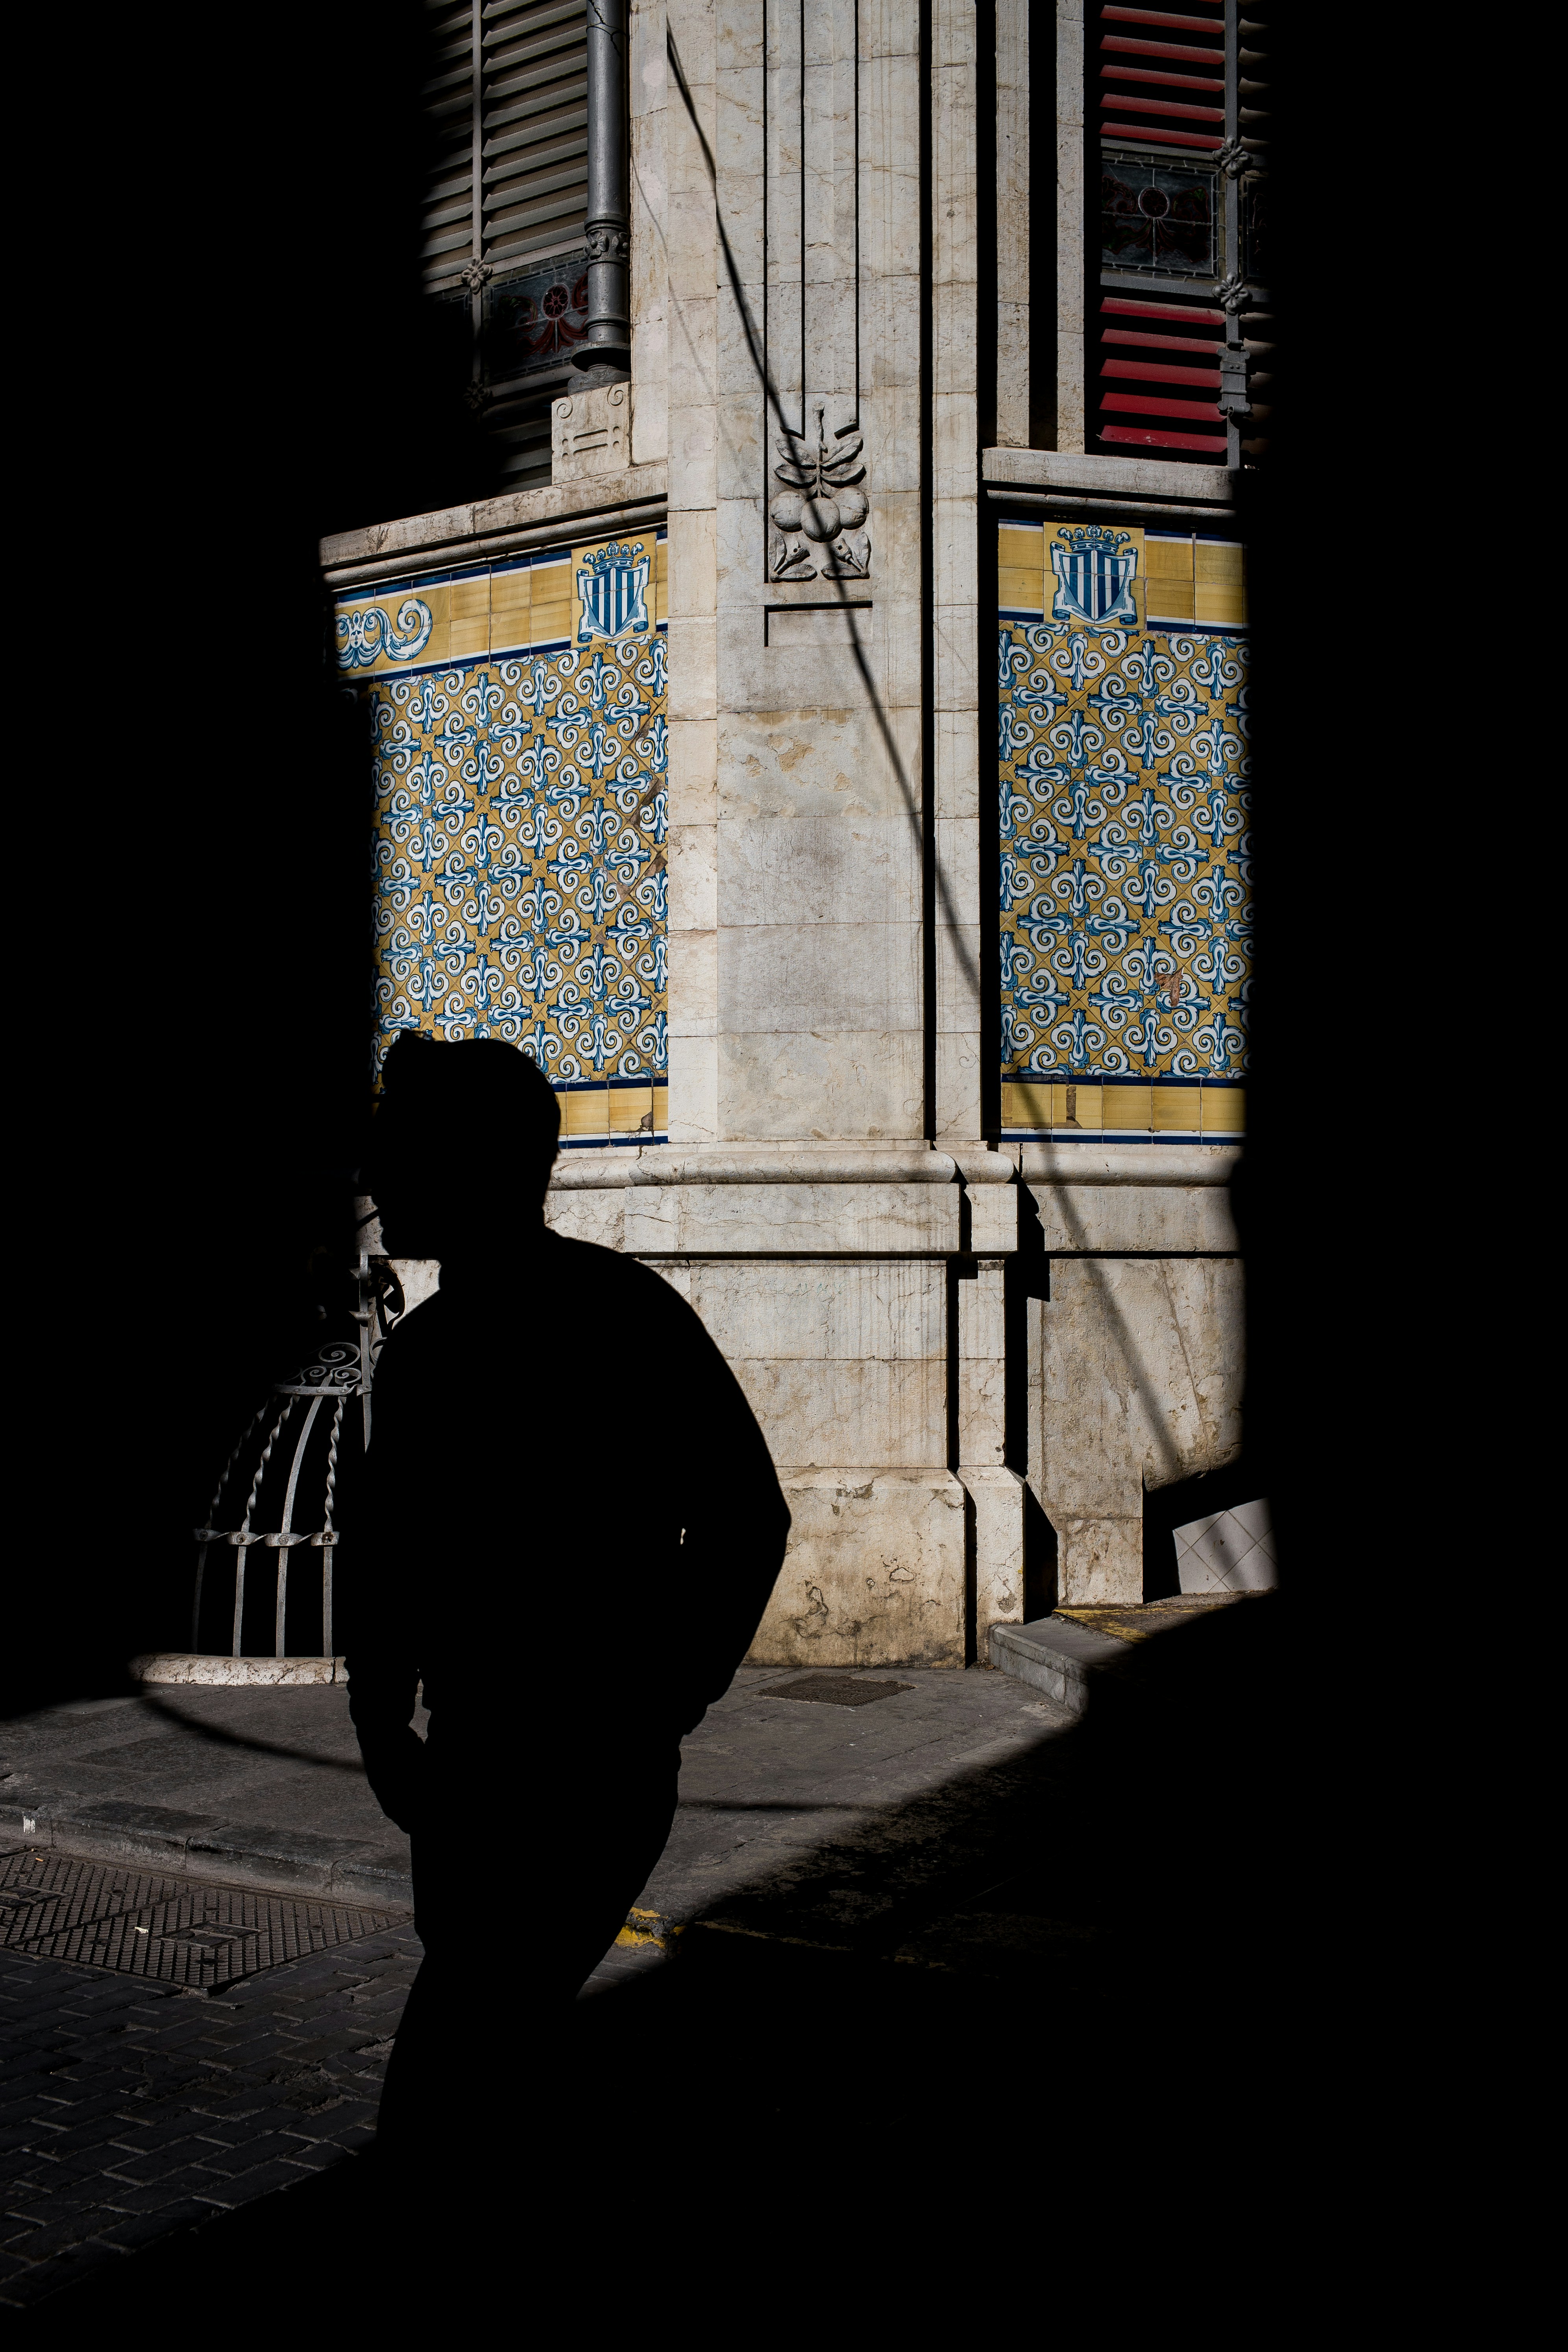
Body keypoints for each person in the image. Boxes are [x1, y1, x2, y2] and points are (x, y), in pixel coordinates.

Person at [339, 1034, 790, 2142]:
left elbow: (745, 1519)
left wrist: (659, 1697)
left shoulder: (600, 1323)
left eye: (399, 1152)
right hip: (486, 1762)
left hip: (569, 1768)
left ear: (477, 1164)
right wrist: (387, 1723)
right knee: (492, 2050)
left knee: (449, 2078)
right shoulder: (458, 1345)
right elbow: (394, 1554)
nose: (376, 1180)